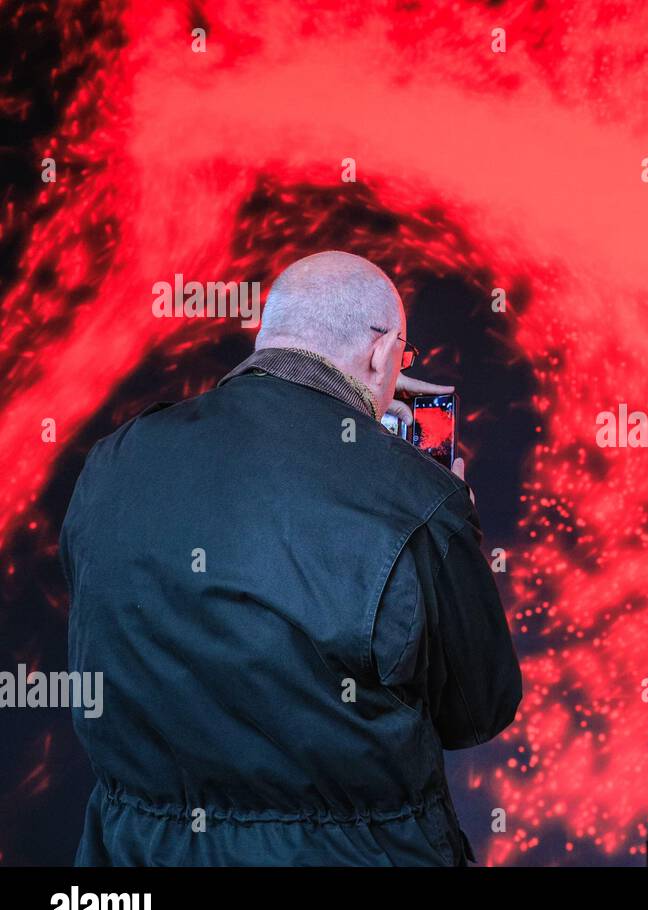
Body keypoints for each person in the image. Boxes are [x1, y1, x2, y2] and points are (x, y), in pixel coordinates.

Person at [59, 250, 523, 865]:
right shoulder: (416, 498)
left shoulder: (115, 459)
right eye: (398, 360)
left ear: (267, 334)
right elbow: (477, 711)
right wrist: (447, 511)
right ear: (384, 354)